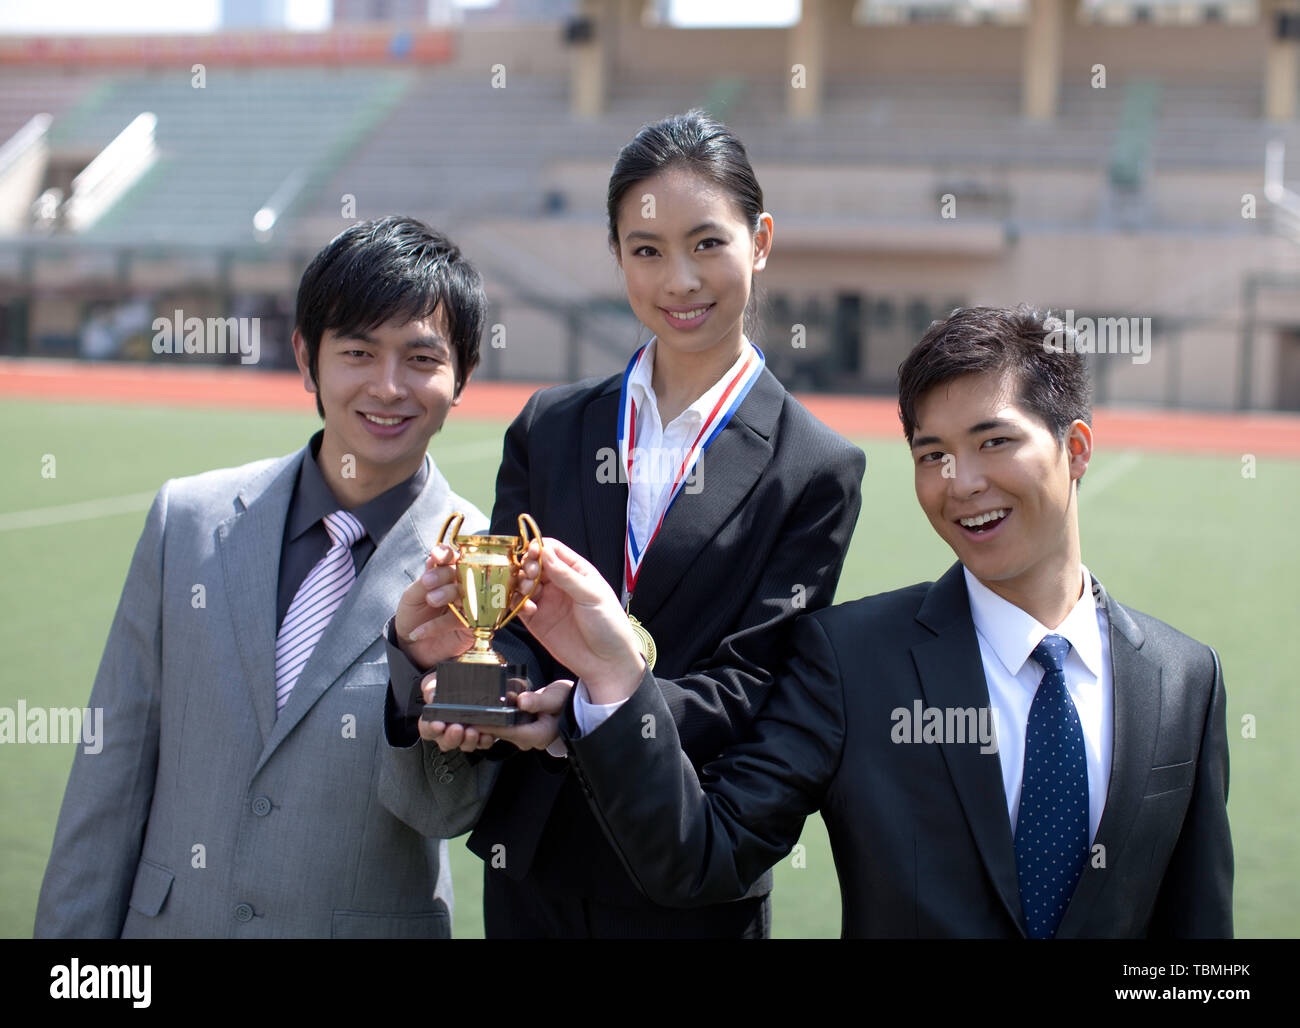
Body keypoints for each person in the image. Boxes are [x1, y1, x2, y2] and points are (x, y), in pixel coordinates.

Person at [515, 304, 1233, 938]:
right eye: (934, 455)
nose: (963, 483)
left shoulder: (1182, 679)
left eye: (993, 442)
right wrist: (614, 678)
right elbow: (703, 856)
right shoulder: (852, 661)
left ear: (1074, 450)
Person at [387, 111, 865, 938]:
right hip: (535, 868)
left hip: (683, 868)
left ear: (760, 240)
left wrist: (583, 711)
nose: (679, 279)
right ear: (616, 255)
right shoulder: (553, 425)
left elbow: (753, 681)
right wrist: (478, 684)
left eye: (706, 243)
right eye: (646, 250)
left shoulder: (816, 466)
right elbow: (506, 628)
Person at [35, 216, 495, 938]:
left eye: (420, 359)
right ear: (306, 360)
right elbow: (111, 769)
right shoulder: (186, 520)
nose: (387, 385)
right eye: (357, 351)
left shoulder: (482, 567)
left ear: (463, 374)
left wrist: (416, 688)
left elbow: (450, 807)